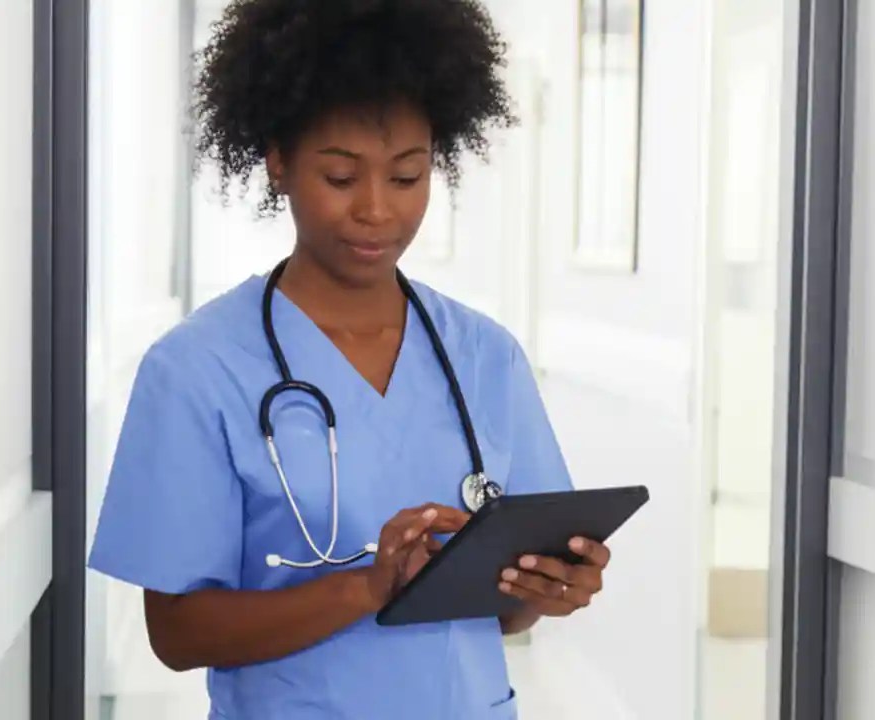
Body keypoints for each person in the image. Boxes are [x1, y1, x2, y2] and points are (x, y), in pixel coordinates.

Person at [88, 1, 613, 717]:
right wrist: (366, 588)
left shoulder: (487, 358)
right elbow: (177, 633)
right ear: (278, 162)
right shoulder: (197, 370)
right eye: (340, 177)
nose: (377, 211)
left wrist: (549, 589)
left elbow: (504, 611)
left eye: (407, 177)